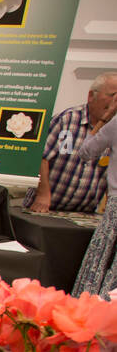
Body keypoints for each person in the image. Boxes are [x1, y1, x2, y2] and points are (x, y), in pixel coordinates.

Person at [24, 73, 117, 213]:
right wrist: (43, 194)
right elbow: (40, 157)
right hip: (46, 208)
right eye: (113, 95)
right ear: (91, 96)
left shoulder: (112, 129)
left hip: (84, 213)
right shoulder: (66, 120)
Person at [73, 85, 117, 297]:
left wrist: (103, 120)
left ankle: (94, 308)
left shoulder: (114, 124)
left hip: (115, 208)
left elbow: (85, 152)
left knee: (101, 258)